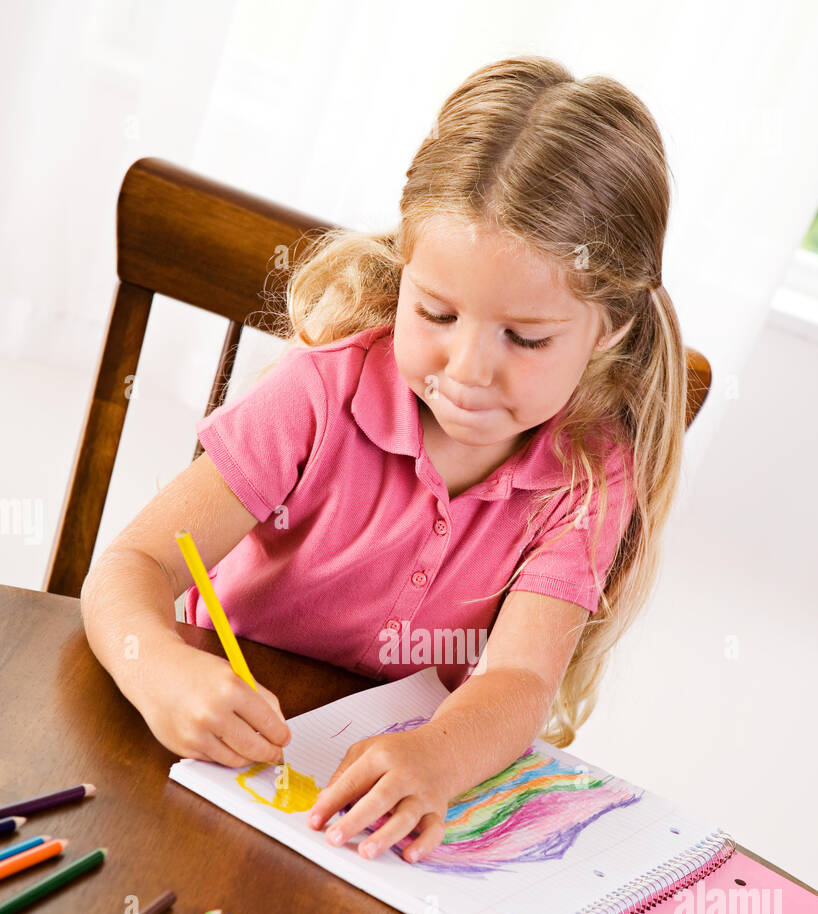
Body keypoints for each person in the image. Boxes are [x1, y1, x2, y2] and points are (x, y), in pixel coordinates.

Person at [81, 55, 686, 864]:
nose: (470, 368)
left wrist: (438, 758)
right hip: (202, 768)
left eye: (526, 338)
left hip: (362, 827)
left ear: (608, 327)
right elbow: (132, 566)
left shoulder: (586, 474)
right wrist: (157, 670)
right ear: (406, 265)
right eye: (435, 311)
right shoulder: (319, 397)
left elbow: (518, 685)